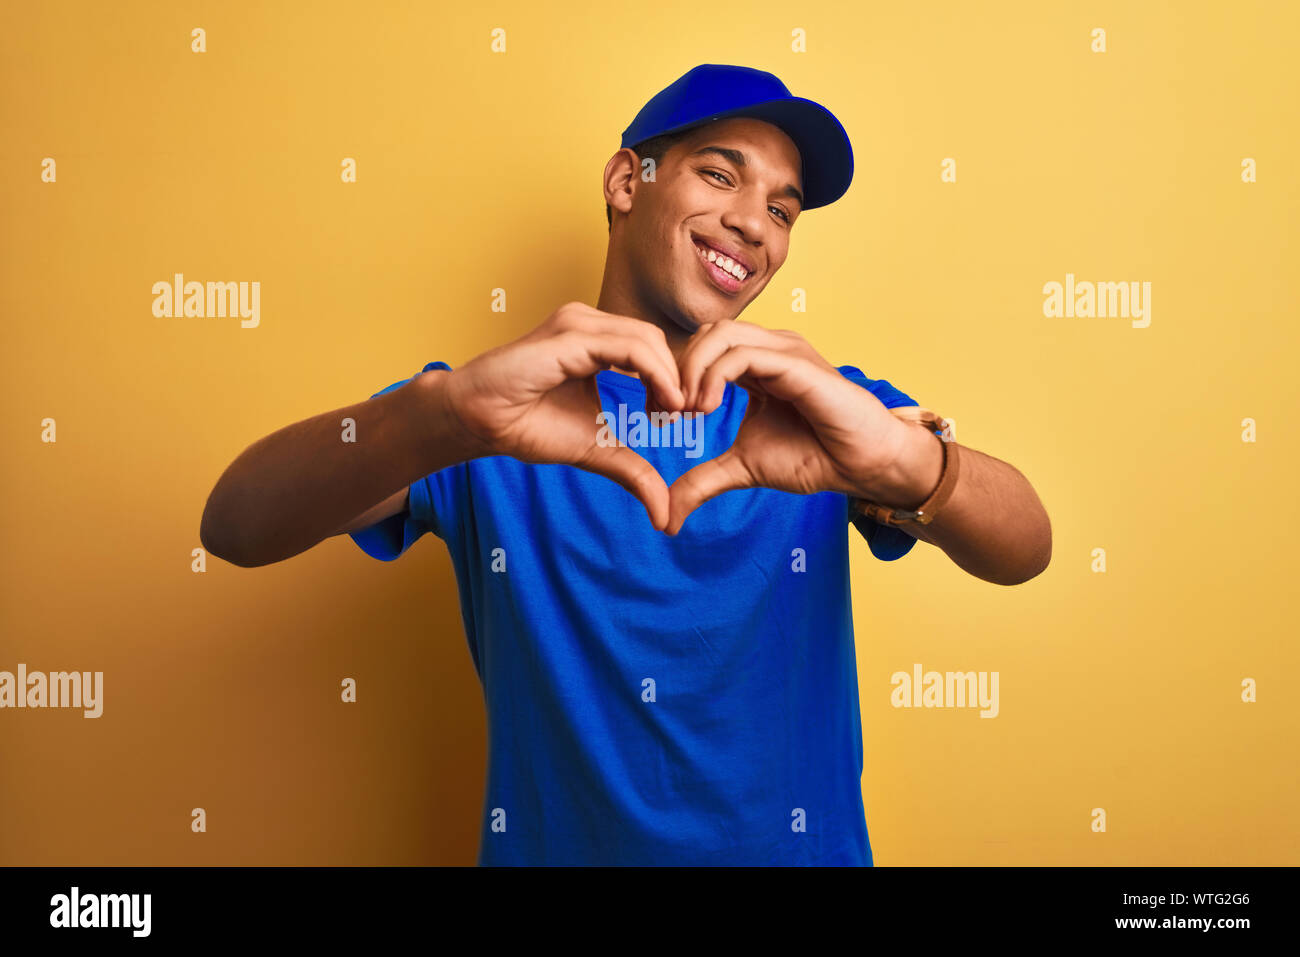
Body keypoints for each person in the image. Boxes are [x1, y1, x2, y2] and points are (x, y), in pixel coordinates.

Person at [199, 64, 1052, 865]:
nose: (756, 224)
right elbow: (235, 523)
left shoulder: (823, 412)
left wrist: (909, 462)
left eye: (784, 211)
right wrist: (442, 415)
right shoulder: (485, 416)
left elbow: (1025, 545)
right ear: (625, 182)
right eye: (720, 175)